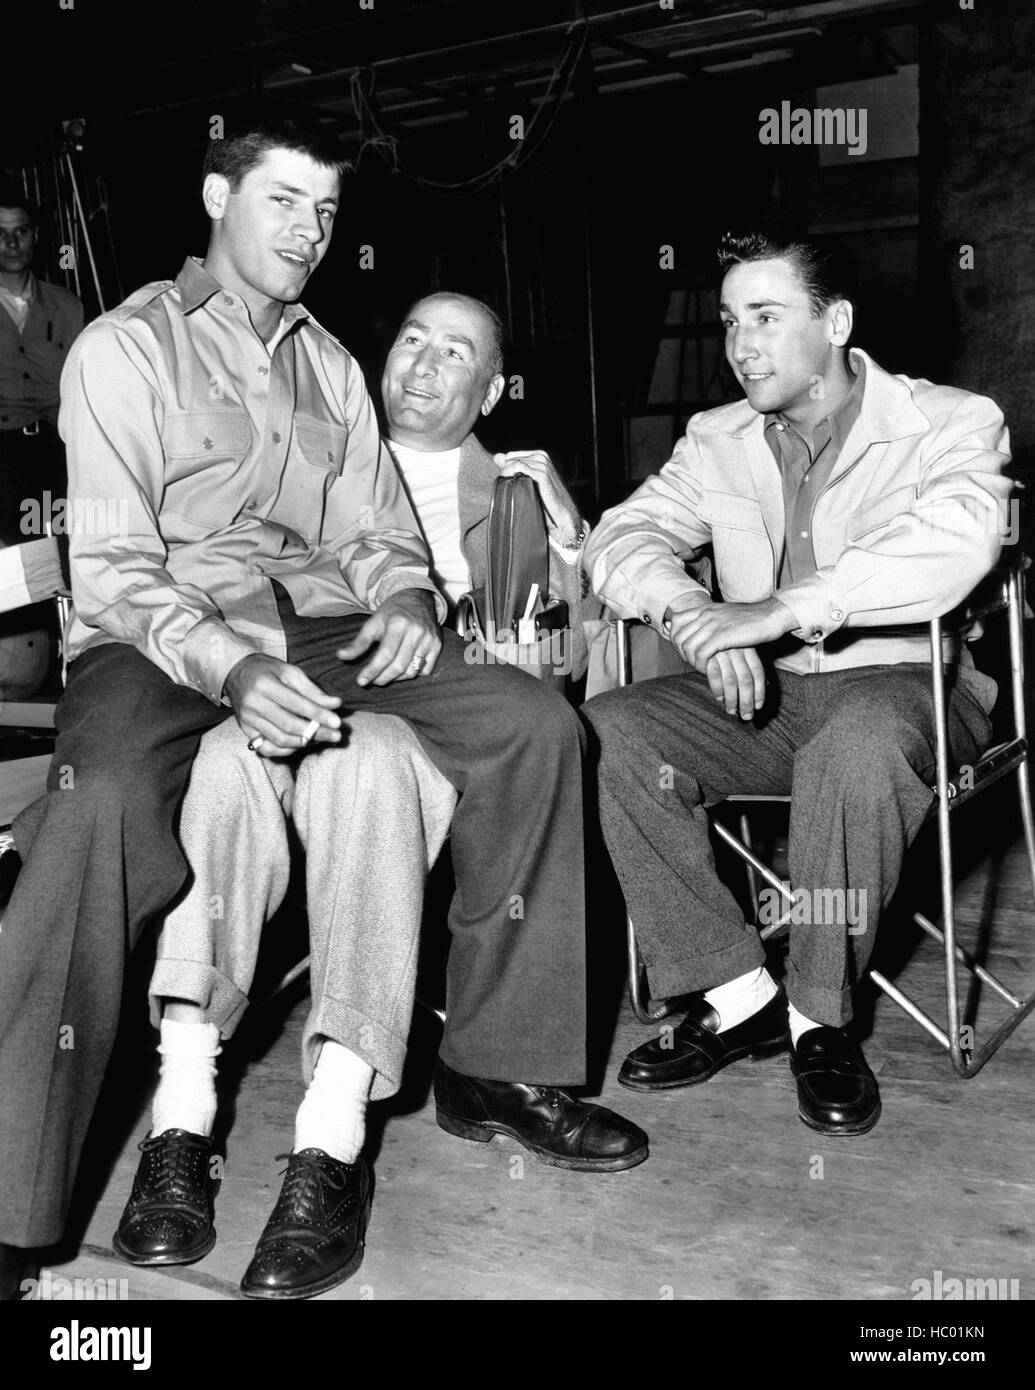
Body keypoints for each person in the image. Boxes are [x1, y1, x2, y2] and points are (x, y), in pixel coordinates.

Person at [0, 120, 645, 1304]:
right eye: (283, 202)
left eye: (324, 214)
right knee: (92, 814)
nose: (308, 231)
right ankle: (12, 1200)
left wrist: (401, 594)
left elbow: (375, 527)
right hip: (162, 635)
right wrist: (229, 671)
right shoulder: (120, 348)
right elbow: (114, 569)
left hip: (317, 624)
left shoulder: (330, 364)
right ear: (215, 196)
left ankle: (494, 1066)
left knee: (536, 725)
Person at [114, 291, 597, 1300]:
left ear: (495, 389)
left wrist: (572, 544)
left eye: (454, 350)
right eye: (409, 338)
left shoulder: (509, 493)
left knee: (371, 762)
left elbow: (569, 667)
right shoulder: (307, 442)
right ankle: (180, 1120)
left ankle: (330, 1147)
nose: (421, 364)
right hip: (268, 684)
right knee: (222, 768)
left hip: (413, 732)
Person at [581, 231, 1010, 1138]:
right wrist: (695, 622)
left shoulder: (951, 420)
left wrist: (774, 611)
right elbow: (618, 539)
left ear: (836, 322)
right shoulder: (717, 439)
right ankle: (737, 996)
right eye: (730, 320)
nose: (740, 345)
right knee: (609, 731)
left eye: (767, 319)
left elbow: (956, 542)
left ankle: (821, 1017)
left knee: (853, 750)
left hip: (909, 689)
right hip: (765, 702)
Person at [0, 185, 83, 546]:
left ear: (35, 236)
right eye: (0, 234)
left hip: (57, 450)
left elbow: (84, 390)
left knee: (66, 554)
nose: (12, 243)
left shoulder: (67, 306)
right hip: (2, 456)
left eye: (20, 232)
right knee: (15, 568)